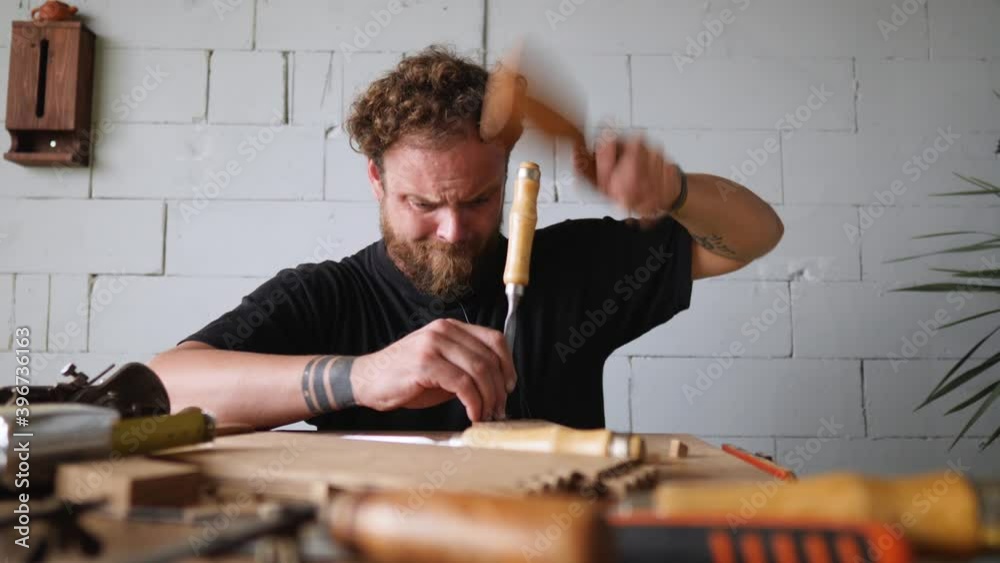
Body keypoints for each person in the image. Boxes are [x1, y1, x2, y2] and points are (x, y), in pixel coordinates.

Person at [149, 46, 783, 432]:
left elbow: (754, 236)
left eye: (478, 200)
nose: (453, 231)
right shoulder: (329, 296)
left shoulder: (569, 270)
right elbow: (164, 385)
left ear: (505, 173)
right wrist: (362, 378)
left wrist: (673, 189)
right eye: (423, 204)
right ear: (376, 180)